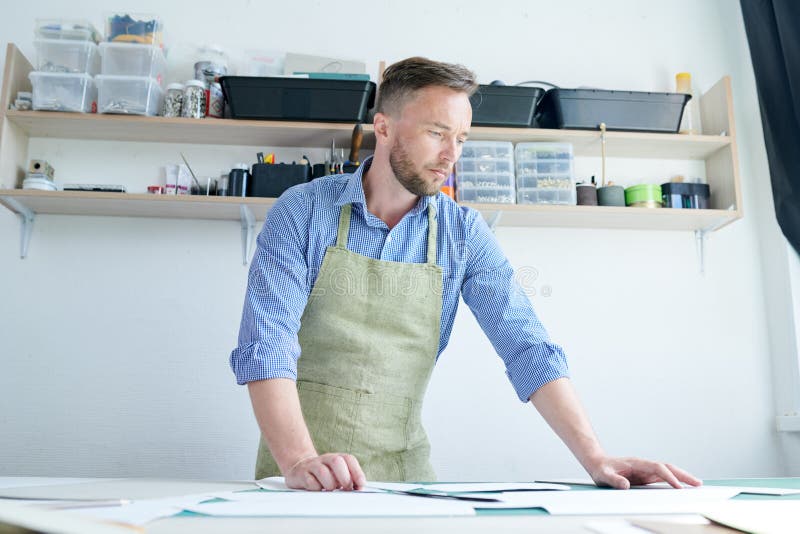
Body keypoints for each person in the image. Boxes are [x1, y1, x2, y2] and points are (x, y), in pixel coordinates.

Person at [230, 56, 702, 492]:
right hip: (298, 479)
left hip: (405, 480)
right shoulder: (302, 211)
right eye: (437, 133)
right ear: (384, 127)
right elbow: (266, 345)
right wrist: (299, 461)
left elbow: (526, 346)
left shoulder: (464, 233)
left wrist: (596, 458)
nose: (451, 154)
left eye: (461, 138)